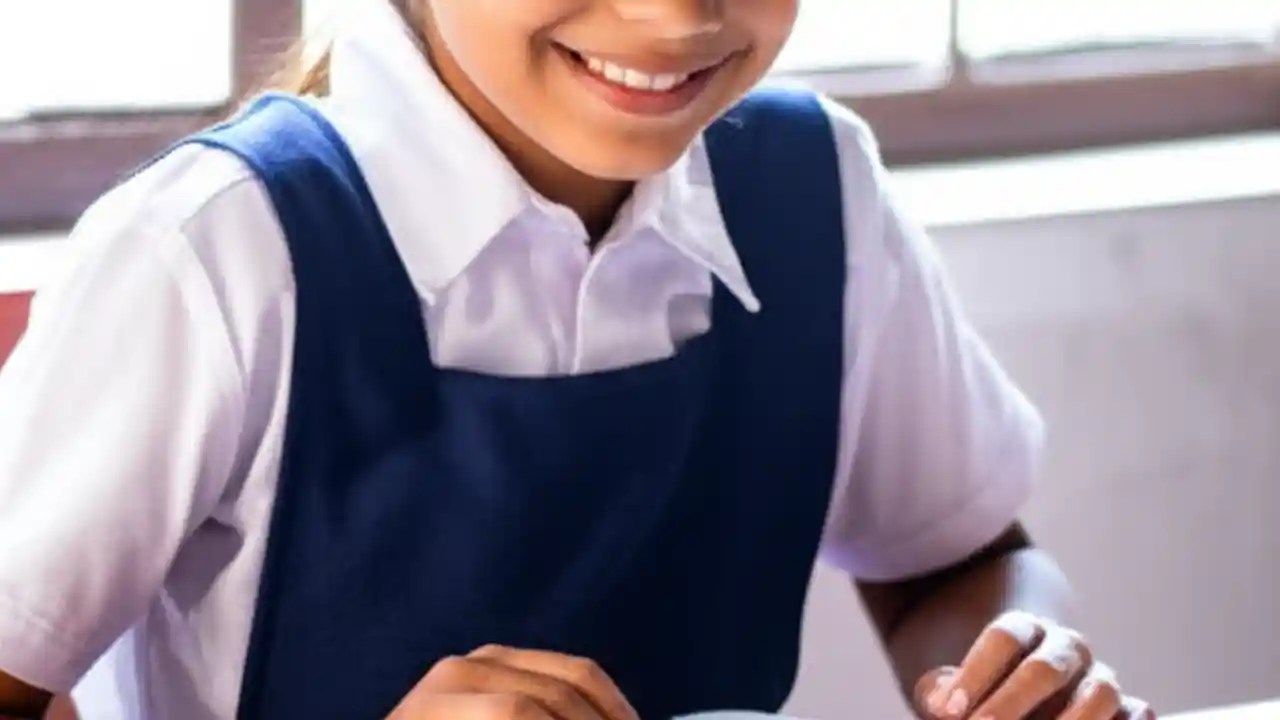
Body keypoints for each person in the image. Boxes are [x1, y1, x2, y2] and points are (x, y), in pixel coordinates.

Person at [0, 1, 1155, 719]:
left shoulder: (818, 190)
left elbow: (952, 561)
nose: (671, 14)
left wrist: (1014, 670)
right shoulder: (214, 251)